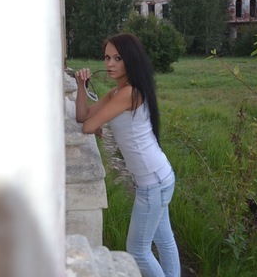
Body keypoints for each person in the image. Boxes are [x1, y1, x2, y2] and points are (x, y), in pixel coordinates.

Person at [74, 33, 181, 277]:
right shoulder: (117, 93)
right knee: (164, 239)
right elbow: (83, 116)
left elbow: (89, 126)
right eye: (107, 58)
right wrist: (81, 86)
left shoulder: (129, 93)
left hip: (153, 182)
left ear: (130, 60)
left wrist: (98, 124)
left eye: (118, 58)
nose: (110, 64)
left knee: (138, 250)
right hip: (160, 176)